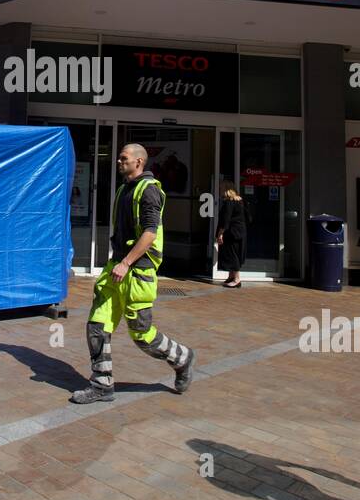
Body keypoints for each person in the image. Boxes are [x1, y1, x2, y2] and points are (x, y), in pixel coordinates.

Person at [71, 143, 196, 403]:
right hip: (116, 269)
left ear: (139, 162)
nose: (118, 161)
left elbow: (150, 233)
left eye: (123, 158)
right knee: (97, 327)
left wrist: (126, 262)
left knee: (142, 335)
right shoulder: (124, 189)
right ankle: (102, 384)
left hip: (136, 272)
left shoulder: (149, 191)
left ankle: (182, 358)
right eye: (119, 158)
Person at [216, 180, 248, 288]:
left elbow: (226, 220)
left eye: (221, 188)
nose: (220, 190)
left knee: (232, 255)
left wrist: (220, 234)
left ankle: (237, 279)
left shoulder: (229, 202)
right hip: (240, 232)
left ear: (226, 189)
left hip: (232, 233)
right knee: (233, 254)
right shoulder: (239, 201)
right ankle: (231, 277)